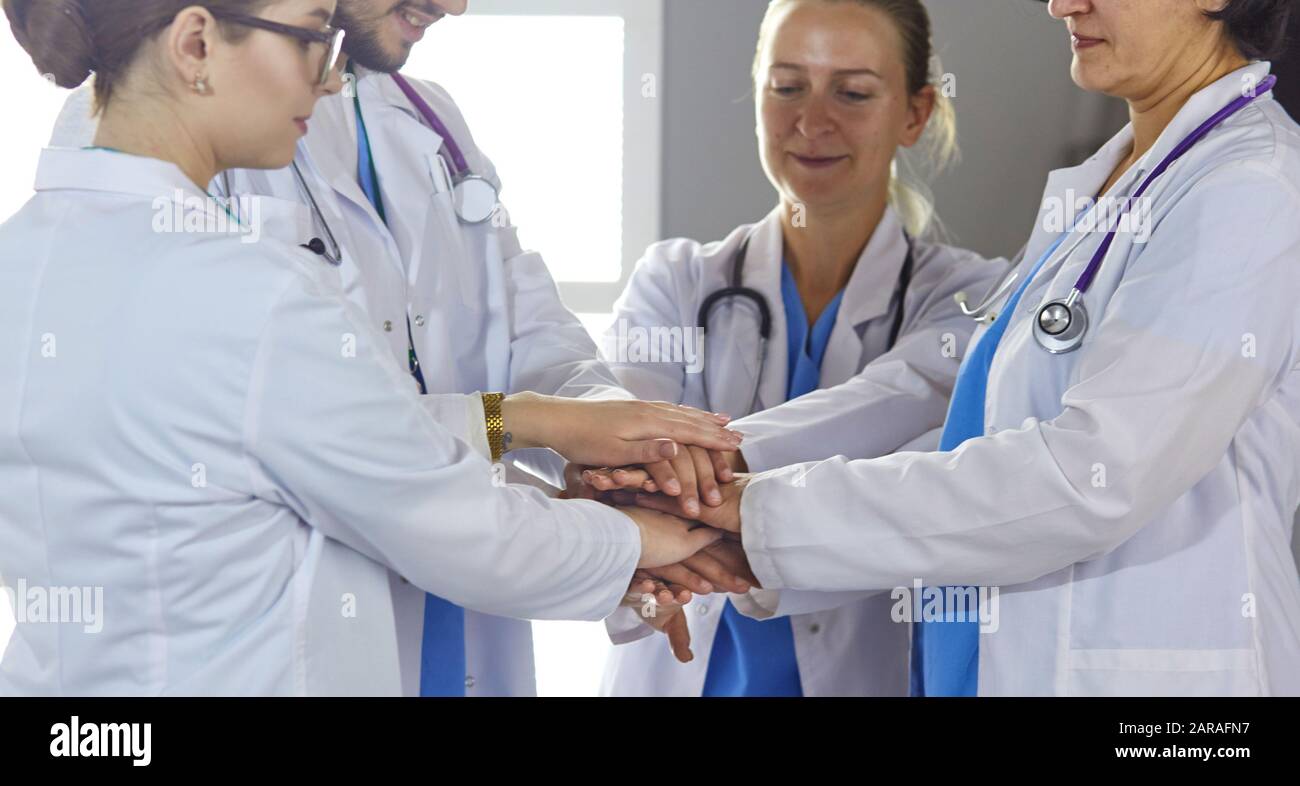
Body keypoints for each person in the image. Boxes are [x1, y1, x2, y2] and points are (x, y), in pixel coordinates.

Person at [0, 0, 728, 696]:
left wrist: (573, 432)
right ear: (195, 45)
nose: (324, 74)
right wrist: (652, 538)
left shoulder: (27, 251)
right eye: (309, 34)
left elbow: (342, 439)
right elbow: (441, 514)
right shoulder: (239, 283)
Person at [627, 0, 1300, 696]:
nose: (1061, 3)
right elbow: (979, 441)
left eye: (854, 91)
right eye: (787, 83)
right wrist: (740, 522)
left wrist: (754, 511)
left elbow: (1089, 476)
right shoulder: (1118, 184)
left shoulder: (1247, 188)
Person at [591, 0, 1004, 697]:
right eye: (787, 86)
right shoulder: (675, 282)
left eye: (853, 91)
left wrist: (690, 477)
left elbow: (920, 443)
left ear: (915, 113)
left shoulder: (971, 298)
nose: (812, 122)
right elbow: (613, 470)